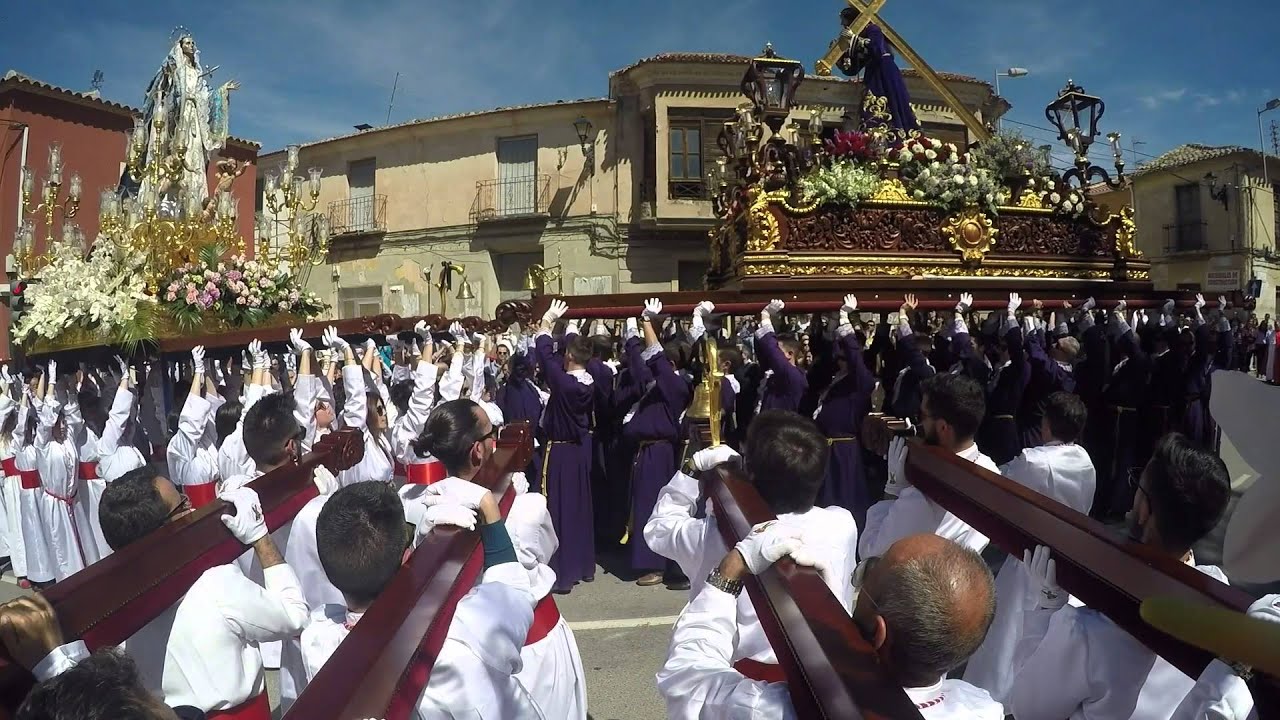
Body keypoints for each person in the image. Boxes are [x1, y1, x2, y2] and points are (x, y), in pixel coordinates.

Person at [656, 529, 1002, 718]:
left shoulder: (775, 711)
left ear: (879, 633)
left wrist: (728, 574)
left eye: (869, 573)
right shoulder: (981, 709)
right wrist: (826, 608)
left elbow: (688, 682)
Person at [1008, 432, 1233, 719]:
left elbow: (1027, 709)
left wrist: (1046, 607)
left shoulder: (1090, 632)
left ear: (1145, 510)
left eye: (1138, 486)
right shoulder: (1220, 594)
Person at [301, 481, 547, 718]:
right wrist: (488, 507)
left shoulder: (318, 642)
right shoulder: (457, 639)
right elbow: (513, 595)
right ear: (407, 557)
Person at [643, 409, 857, 676]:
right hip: (826, 677)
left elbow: (658, 530)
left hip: (740, 684)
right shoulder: (842, 525)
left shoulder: (714, 535)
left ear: (750, 473)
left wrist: (692, 468)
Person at [410, 398, 588, 718]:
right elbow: (547, 548)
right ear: (479, 450)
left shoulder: (429, 510)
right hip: (537, 653)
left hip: (475, 662)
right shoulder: (528, 509)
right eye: (493, 433)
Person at [99, 466, 308, 715]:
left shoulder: (115, 610)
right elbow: (295, 616)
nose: (192, 506)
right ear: (164, 533)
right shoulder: (216, 585)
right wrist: (260, 536)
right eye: (182, 505)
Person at [963, 391, 1096, 702]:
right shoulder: (1086, 460)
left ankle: (1002, 694)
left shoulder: (1035, 461)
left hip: (1033, 557)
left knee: (1012, 629)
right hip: (1071, 556)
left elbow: (1001, 482)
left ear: (1046, 424)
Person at [860, 372, 995, 558]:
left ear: (943, 428)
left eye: (921, 416)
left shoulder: (922, 495)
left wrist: (893, 489)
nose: (917, 425)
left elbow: (871, 551)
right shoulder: (991, 470)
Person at [620, 298, 692, 587]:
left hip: (659, 452)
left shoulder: (675, 385)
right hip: (645, 451)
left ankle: (657, 564)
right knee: (643, 504)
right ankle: (652, 560)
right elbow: (641, 362)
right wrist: (631, 329)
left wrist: (647, 323)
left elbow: (654, 358)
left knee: (653, 505)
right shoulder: (656, 386)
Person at [533, 299, 596, 593]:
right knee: (577, 509)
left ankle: (562, 572)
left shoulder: (565, 383)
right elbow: (561, 359)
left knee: (557, 510)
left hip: (558, 453)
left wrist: (547, 323)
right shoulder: (588, 381)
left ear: (569, 356)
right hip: (578, 452)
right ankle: (581, 565)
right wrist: (569, 331)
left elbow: (545, 355)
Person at [810, 294, 876, 520]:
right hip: (825, 448)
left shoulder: (861, 381)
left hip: (844, 451)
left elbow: (855, 359)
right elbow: (822, 355)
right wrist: (831, 323)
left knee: (846, 503)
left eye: (844, 358)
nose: (840, 362)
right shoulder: (835, 378)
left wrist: (846, 321)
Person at [752, 299, 809, 414]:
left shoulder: (793, 375)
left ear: (789, 354)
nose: (774, 352)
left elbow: (771, 350)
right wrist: (763, 320)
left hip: (781, 424)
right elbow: (765, 349)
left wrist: (766, 316)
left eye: (778, 349)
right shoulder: (774, 373)